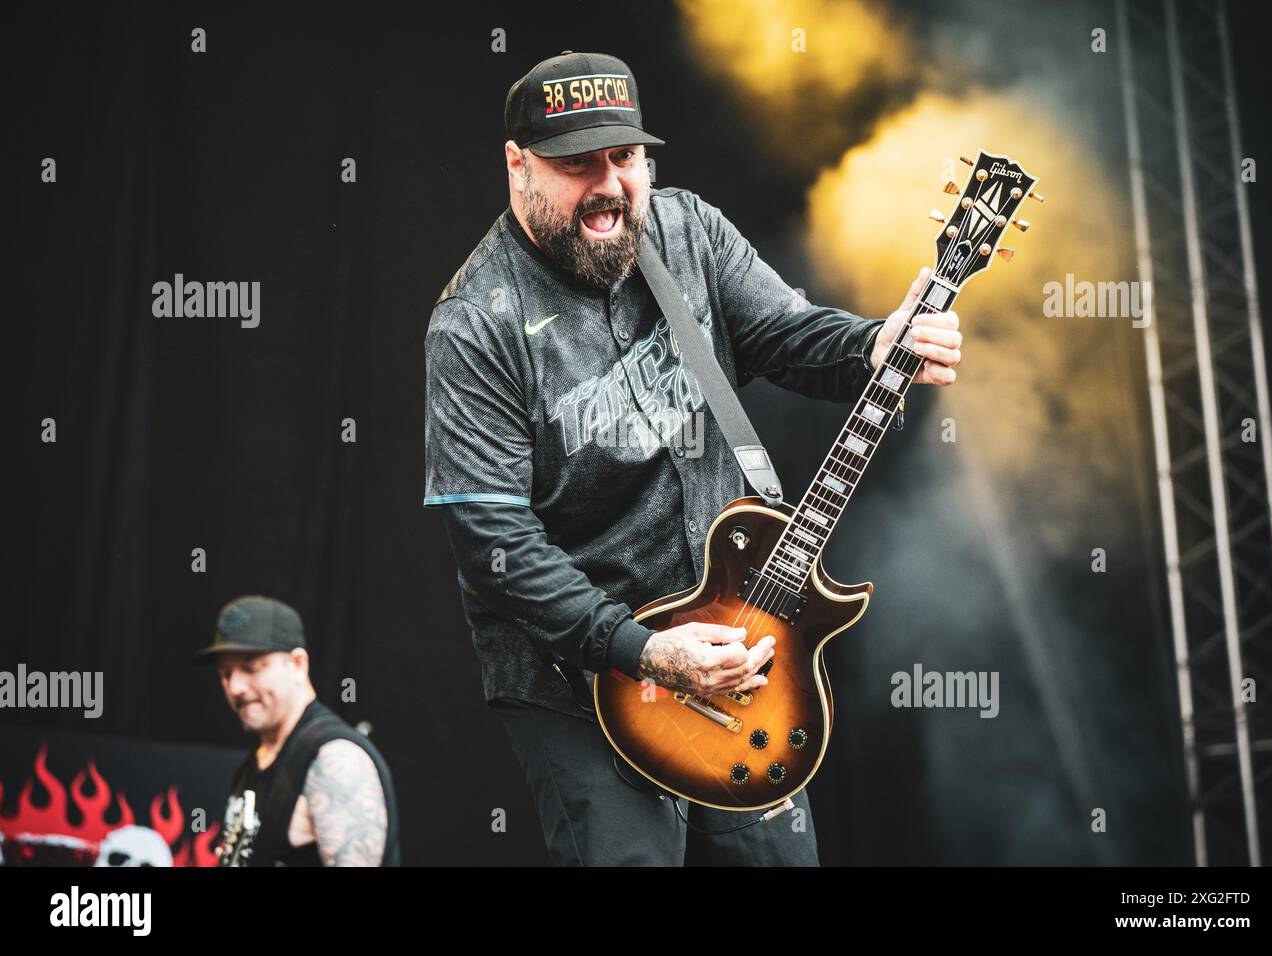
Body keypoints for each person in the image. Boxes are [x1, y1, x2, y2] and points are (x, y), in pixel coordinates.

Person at [423, 51, 962, 865]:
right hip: (578, 682)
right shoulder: (476, 325)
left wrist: (873, 343)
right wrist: (644, 652)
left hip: (733, 645)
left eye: (625, 157)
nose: (609, 185)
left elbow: (786, 334)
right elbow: (495, 546)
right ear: (517, 165)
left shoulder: (688, 231)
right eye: (576, 163)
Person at [195, 595, 400, 866]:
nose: (235, 688)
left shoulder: (335, 760)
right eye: (226, 673)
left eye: (250, 668)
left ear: (298, 665)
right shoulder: (255, 762)